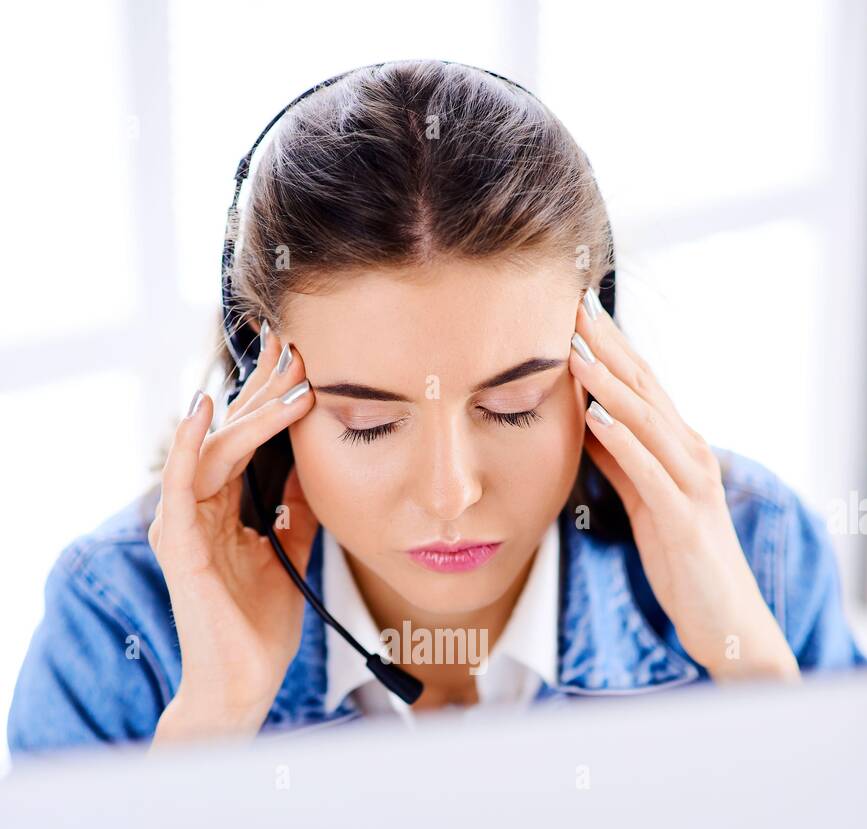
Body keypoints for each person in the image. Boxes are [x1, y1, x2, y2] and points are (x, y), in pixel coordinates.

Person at [7, 59, 865, 758]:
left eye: (514, 405)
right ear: (255, 387)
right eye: (367, 423)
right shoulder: (118, 617)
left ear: (601, 361)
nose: (449, 494)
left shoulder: (760, 552)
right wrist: (213, 720)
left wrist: (753, 678)